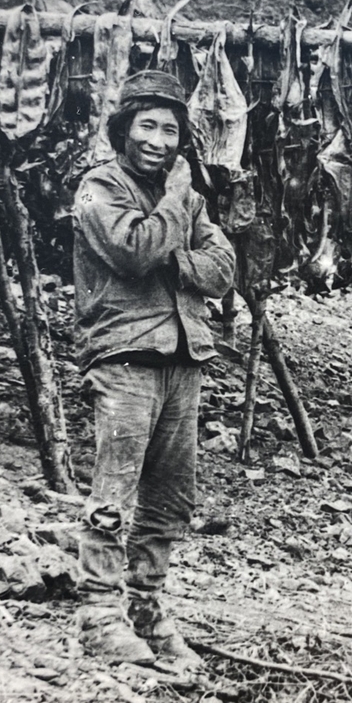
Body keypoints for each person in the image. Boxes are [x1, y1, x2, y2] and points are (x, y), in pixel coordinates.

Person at [70, 70, 236, 670]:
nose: (159, 140)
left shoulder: (189, 200)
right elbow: (133, 251)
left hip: (183, 360)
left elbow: (223, 269)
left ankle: (144, 606)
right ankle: (97, 613)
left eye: (170, 129)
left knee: (171, 499)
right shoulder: (99, 188)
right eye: (148, 125)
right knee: (114, 492)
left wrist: (174, 258)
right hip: (124, 360)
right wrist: (170, 213)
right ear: (124, 129)